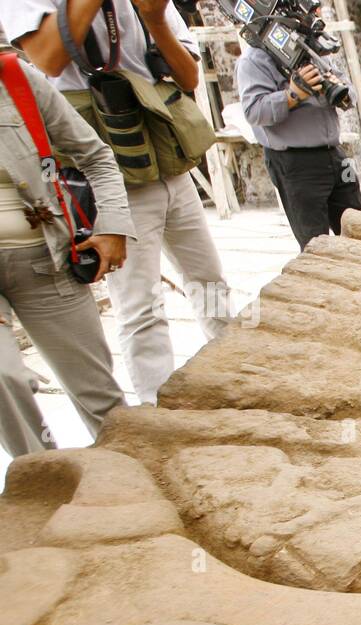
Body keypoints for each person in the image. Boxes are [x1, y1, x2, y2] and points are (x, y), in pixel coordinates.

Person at [0, 0, 232, 406]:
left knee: (210, 280)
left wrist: (155, 18)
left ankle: (235, 365)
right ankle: (156, 409)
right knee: (141, 305)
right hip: (111, 174)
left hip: (166, 159)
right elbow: (50, 59)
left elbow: (188, 75)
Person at [0, 51, 132, 457]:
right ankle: (41, 478)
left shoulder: (15, 77)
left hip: (46, 260)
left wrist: (112, 225)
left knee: (98, 396)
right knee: (6, 378)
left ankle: (128, 477)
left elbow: (95, 156)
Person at [237, 52, 361, 251]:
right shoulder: (254, 60)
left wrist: (340, 89)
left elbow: (350, 94)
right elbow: (254, 112)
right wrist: (293, 95)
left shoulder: (313, 51)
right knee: (316, 244)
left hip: (335, 154)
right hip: (295, 162)